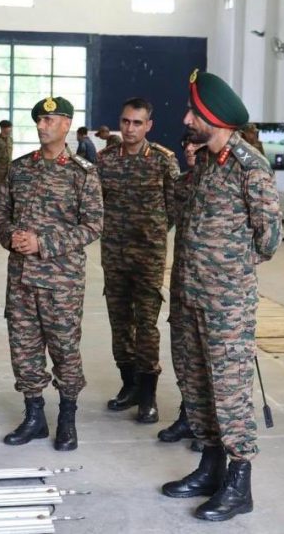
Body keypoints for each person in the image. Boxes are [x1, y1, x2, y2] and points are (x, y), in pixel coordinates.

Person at [161, 70, 281, 522]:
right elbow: (181, 215)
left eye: (194, 112)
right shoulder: (206, 163)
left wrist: (228, 270)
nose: (187, 118)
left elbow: (268, 240)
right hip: (189, 296)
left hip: (226, 304)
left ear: (214, 117)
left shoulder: (251, 168)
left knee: (229, 392)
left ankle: (239, 482)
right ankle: (210, 467)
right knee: (196, 385)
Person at [0, 96, 103, 452]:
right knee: (23, 348)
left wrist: (44, 243)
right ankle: (34, 415)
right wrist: (12, 237)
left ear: (67, 124)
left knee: (65, 349)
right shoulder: (19, 168)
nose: (42, 126)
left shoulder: (82, 172)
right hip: (21, 277)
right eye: (39, 120)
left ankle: (67, 417)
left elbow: (93, 225)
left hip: (61, 281)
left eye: (50, 120)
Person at [97, 98, 179, 424]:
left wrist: (153, 233)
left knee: (146, 326)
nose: (129, 128)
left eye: (137, 123)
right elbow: (95, 205)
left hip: (148, 257)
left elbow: (175, 207)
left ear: (149, 126)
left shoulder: (162, 161)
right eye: (125, 121)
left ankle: (148, 395)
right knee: (119, 323)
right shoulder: (105, 161)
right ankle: (128, 385)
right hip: (113, 255)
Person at [159, 133, 206, 451]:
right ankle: (189, 415)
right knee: (184, 354)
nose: (188, 148)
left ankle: (211, 427)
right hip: (182, 281)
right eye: (186, 143)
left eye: (196, 144)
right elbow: (167, 221)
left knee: (211, 358)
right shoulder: (183, 183)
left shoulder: (222, 181)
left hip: (214, 287)